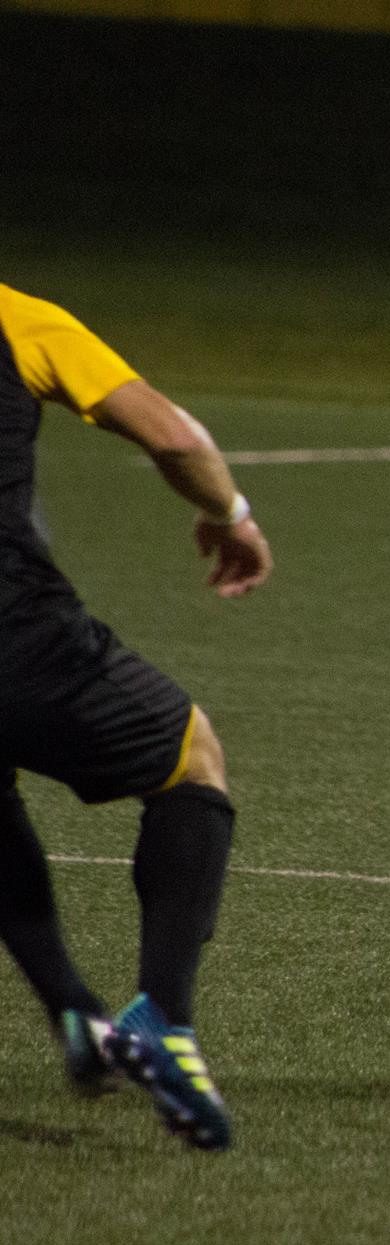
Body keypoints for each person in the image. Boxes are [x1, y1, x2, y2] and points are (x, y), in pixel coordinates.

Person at [1, 282, 272, 1150]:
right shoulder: (16, 316)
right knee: (192, 756)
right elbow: (173, 434)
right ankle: (164, 1017)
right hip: (16, 631)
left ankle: (74, 1010)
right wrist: (229, 514)